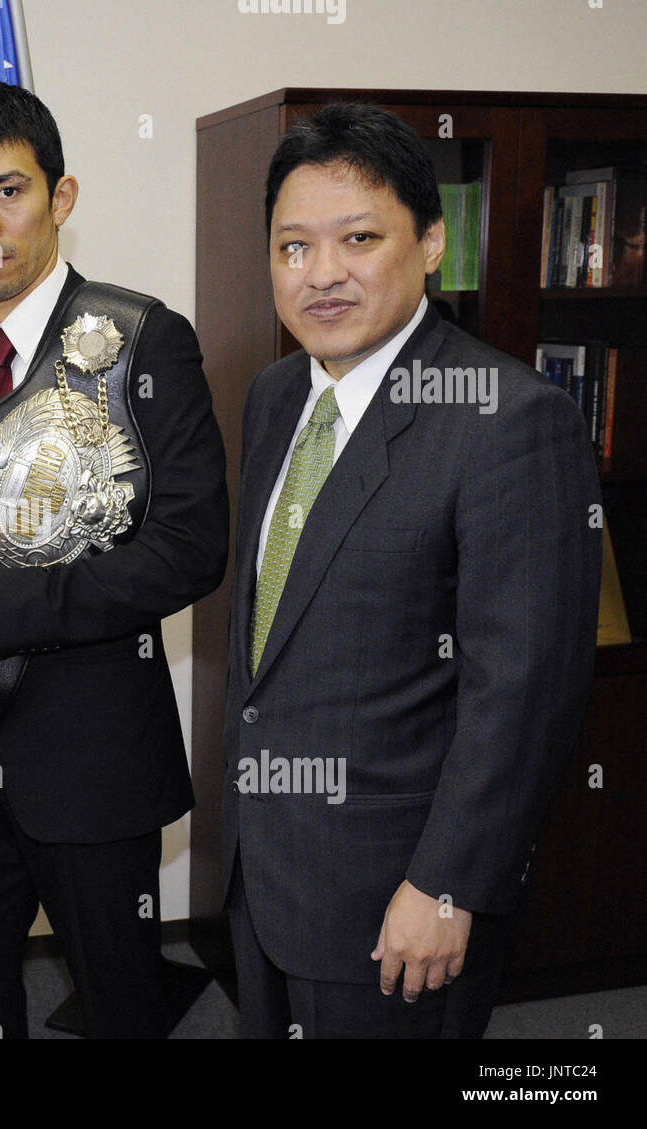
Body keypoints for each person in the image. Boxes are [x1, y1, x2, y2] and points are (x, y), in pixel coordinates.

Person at [221, 102, 602, 1038]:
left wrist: (448, 881)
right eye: (292, 247)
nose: (322, 275)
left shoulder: (508, 420)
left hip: (396, 889)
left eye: (359, 238)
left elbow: (525, 690)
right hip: (264, 867)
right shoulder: (275, 396)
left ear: (432, 242)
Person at [0, 81, 228, 1039]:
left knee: (120, 1004)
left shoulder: (141, 340)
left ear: (61, 197)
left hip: (92, 752)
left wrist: (12, 608)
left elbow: (192, 550)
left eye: (8, 190)